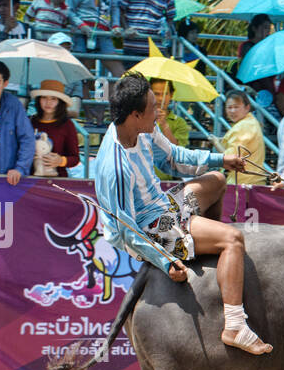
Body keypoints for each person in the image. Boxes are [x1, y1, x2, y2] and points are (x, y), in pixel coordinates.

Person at [92, 72, 267, 354]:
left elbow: (174, 157)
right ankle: (234, 326)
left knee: (217, 180)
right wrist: (164, 261)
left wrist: (222, 159)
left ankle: (206, 251)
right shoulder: (115, 165)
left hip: (163, 204)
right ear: (136, 115)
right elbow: (127, 230)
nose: (158, 112)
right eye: (152, 108)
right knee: (232, 239)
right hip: (149, 227)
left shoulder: (144, 131)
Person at [68, 0, 122, 77]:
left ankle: (111, 96)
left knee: (118, 71)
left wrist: (115, 25)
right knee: (83, 74)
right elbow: (69, 9)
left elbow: (114, 7)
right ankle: (83, 96)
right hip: (83, 33)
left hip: (103, 32)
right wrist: (81, 25)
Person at [28, 80, 79, 177]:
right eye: (44, 98)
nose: (48, 102)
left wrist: (61, 161)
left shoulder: (67, 124)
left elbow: (75, 158)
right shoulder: (30, 122)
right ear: (39, 100)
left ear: (60, 102)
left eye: (53, 99)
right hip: (30, 179)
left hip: (57, 180)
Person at [219, 91, 266, 185]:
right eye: (229, 107)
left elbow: (230, 159)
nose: (232, 111)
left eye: (236, 107)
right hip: (251, 181)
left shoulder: (243, 126)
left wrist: (216, 143)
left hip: (242, 183)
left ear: (247, 108)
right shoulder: (250, 122)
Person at [236, 14, 276, 98]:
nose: (268, 32)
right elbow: (255, 69)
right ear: (254, 28)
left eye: (269, 28)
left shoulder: (267, 47)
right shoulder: (247, 46)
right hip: (253, 88)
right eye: (265, 28)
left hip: (268, 88)